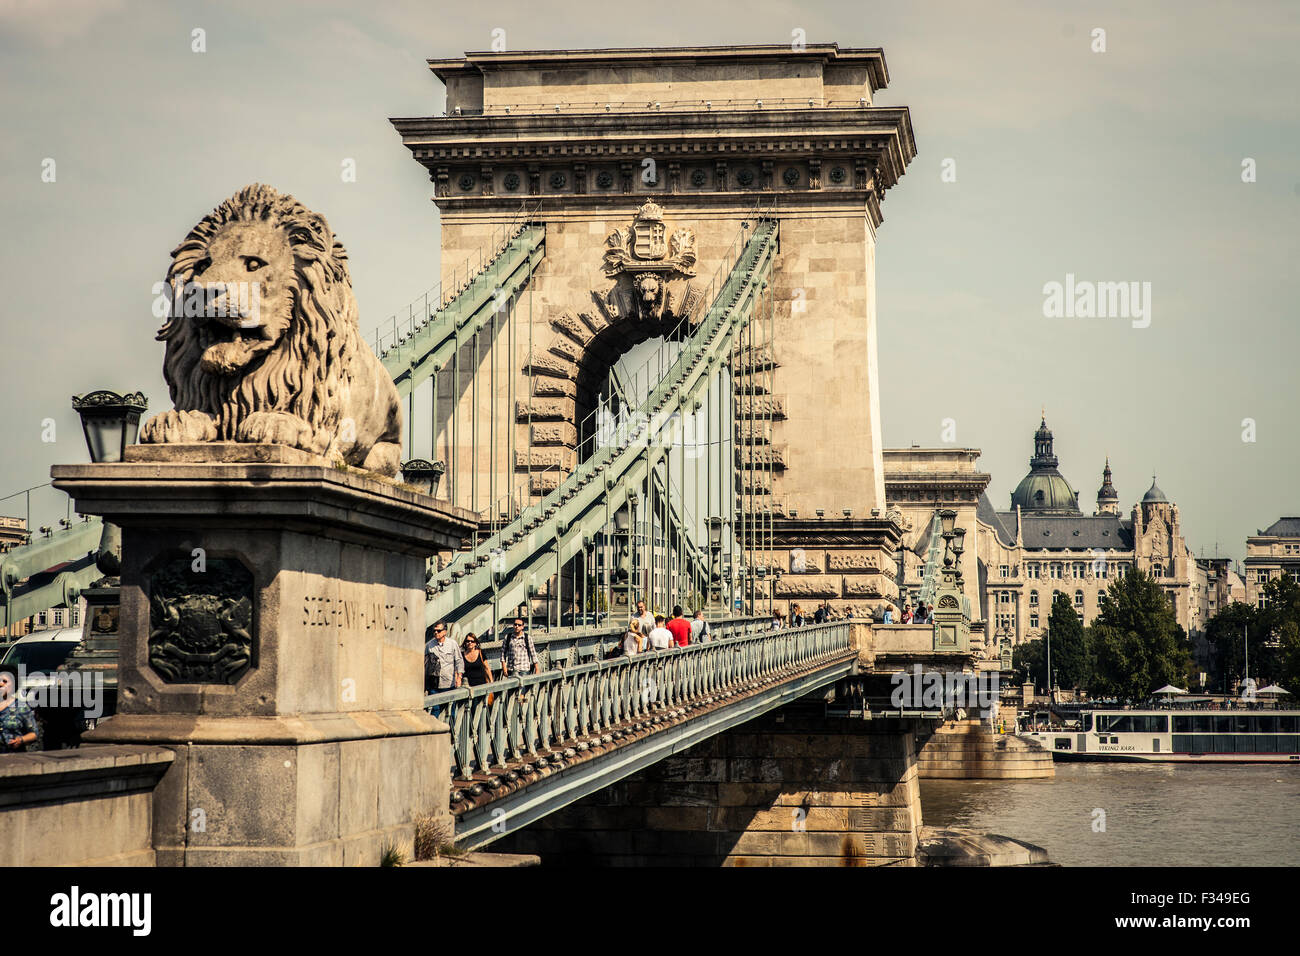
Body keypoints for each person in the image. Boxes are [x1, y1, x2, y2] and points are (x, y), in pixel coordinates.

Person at [425, 621, 464, 722]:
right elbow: (424, 664)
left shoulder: (452, 644)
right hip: (434, 684)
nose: (436, 633)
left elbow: (459, 661)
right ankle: (437, 735)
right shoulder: (429, 646)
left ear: (445, 632)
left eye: (438, 630)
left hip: (448, 684)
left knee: (450, 712)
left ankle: (451, 734)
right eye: (434, 631)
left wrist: (459, 677)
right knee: (434, 711)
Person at [0, 668, 39, 754]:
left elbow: (34, 733)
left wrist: (21, 740)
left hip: (13, 757)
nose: (0, 684)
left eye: (5, 681)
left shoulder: (21, 707)